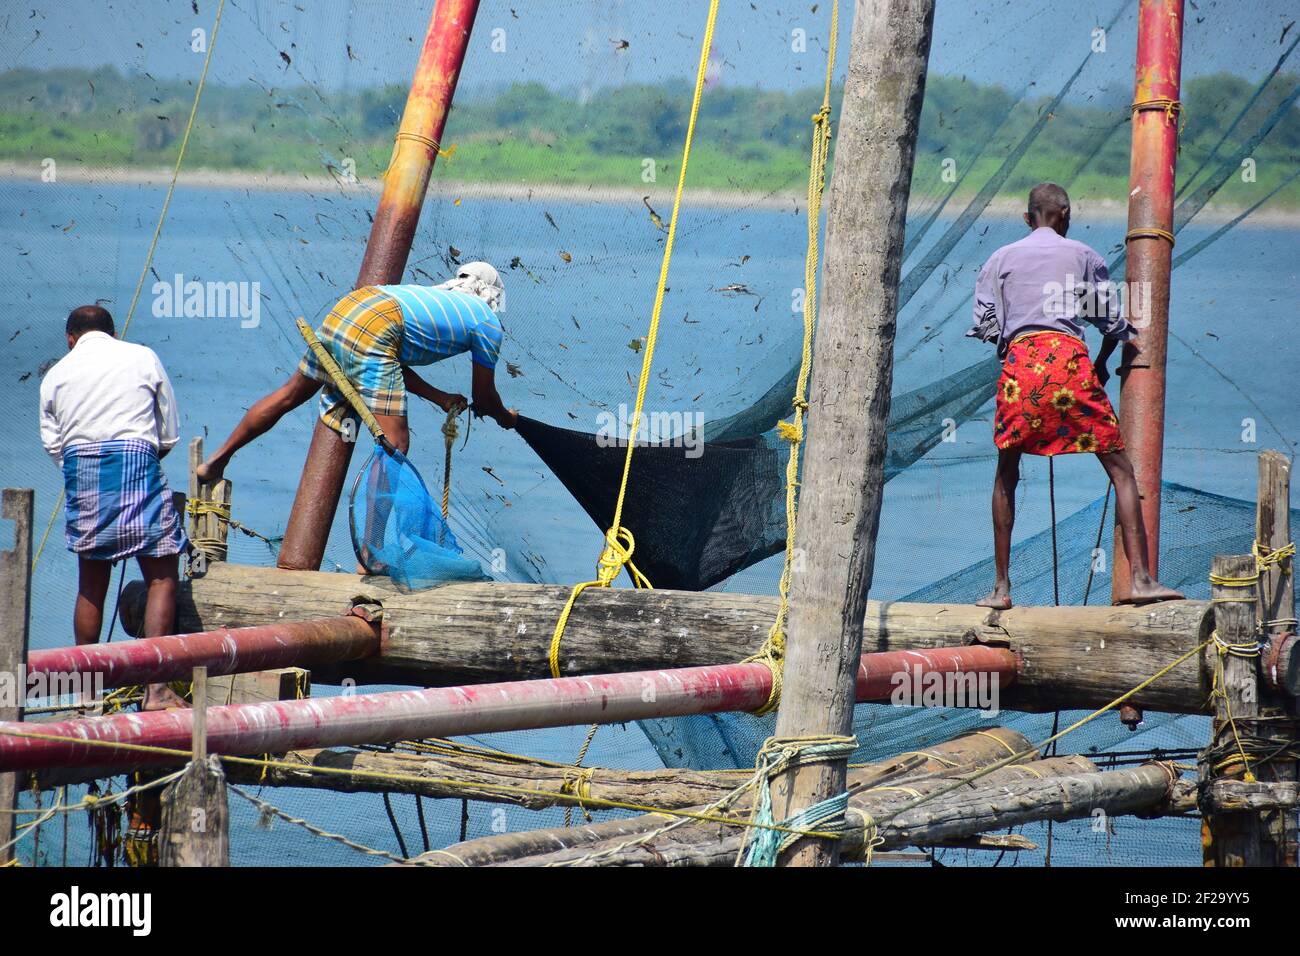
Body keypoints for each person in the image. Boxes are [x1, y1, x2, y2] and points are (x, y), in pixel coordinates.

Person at [967, 183, 1183, 609]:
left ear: (1028, 219)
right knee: (1121, 471)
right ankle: (1140, 579)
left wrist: (1014, 347)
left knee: (1006, 470)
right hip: (1068, 365)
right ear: (1065, 215)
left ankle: (1001, 589)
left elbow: (985, 321)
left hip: (1021, 369)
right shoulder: (1083, 256)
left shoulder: (1001, 258)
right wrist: (1102, 360)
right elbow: (1109, 320)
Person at [196, 262, 518, 484]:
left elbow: (388, 362)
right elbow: (485, 399)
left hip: (352, 307)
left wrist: (440, 397)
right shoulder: (486, 323)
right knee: (395, 444)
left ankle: (217, 460)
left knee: (289, 395)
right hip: (380, 325)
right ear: (491, 296)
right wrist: (506, 417)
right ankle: (370, 553)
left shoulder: (434, 298)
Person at [40, 306, 188, 710]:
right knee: (161, 577)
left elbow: (54, 445)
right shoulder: (142, 356)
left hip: (82, 470)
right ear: (114, 331)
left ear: (71, 338)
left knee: (91, 584)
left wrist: (86, 466)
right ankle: (156, 690)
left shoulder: (56, 374)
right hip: (138, 461)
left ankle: (87, 695)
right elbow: (169, 431)